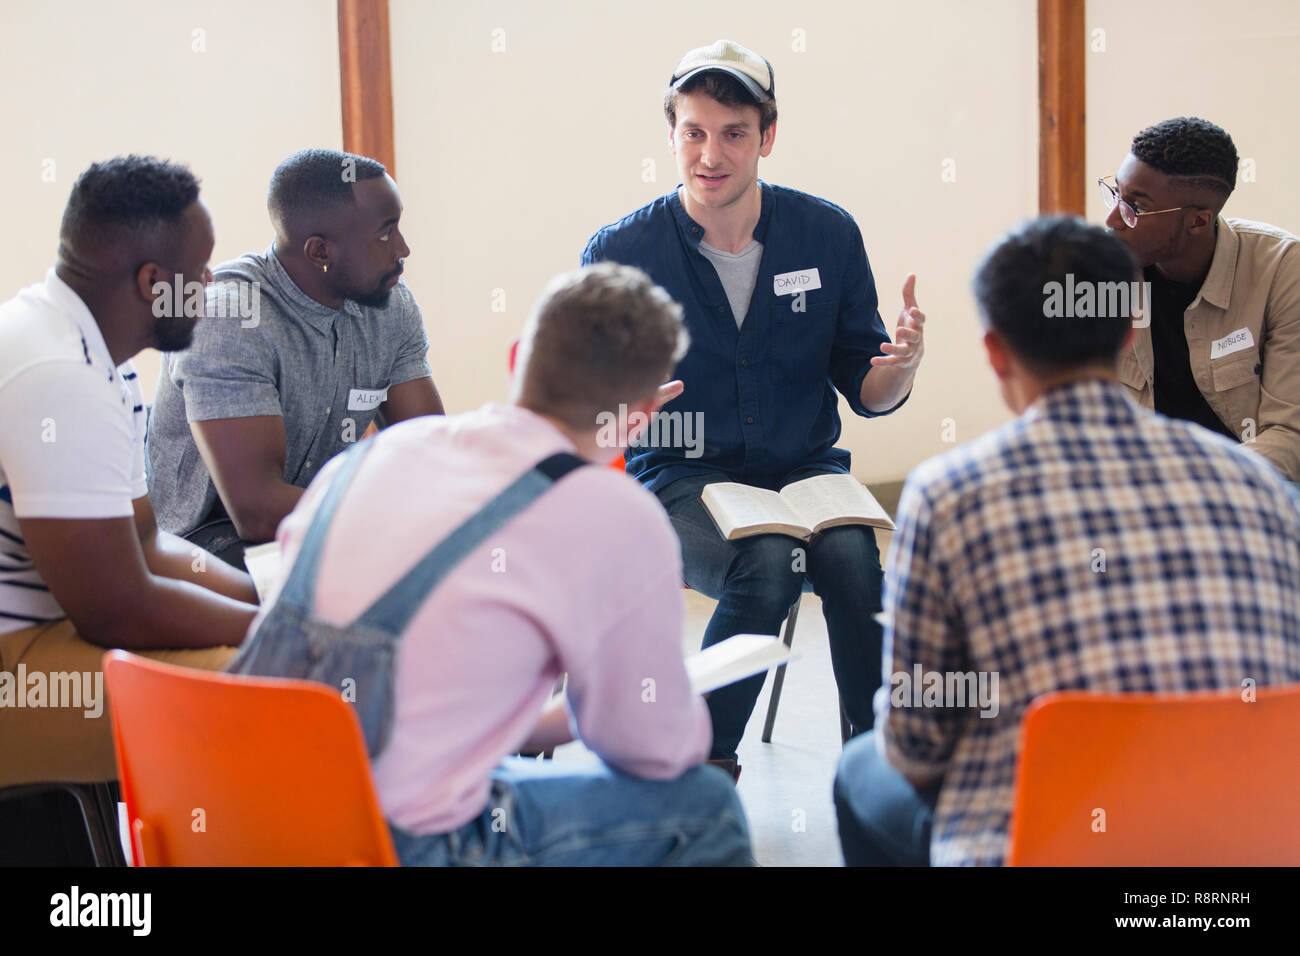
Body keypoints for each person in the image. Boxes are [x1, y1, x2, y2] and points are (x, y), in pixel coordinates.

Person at [227, 263, 752, 866]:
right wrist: (668, 700)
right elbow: (647, 753)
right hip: (388, 846)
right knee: (705, 806)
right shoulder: (615, 513)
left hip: (242, 815)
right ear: (641, 416)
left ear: (516, 359)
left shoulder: (380, 451)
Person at [834, 216, 1300, 867]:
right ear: (1128, 330)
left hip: (1047, 846)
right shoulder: (1260, 485)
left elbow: (915, 747)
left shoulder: (951, 493)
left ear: (996, 352)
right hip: (1246, 848)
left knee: (861, 767)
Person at [581, 39, 927, 774]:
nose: (711, 154)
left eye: (734, 133)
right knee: (768, 564)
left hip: (806, 471)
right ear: (671, 134)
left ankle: (878, 769)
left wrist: (900, 369)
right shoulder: (623, 249)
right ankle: (699, 773)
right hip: (678, 480)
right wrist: (622, 410)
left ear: (767, 136)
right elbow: (590, 411)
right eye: (694, 132)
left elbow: (867, 391)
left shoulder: (826, 233)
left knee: (855, 563)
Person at [0, 156, 258, 788]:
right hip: (18, 669)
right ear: (152, 282)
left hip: (50, 633)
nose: (212, 283)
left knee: (296, 669)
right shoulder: (57, 372)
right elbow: (115, 611)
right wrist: (285, 632)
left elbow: (145, 543)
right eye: (200, 270)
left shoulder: (99, 360)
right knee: (297, 696)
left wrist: (265, 598)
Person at [147, 148, 446, 570]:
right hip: (207, 545)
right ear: (320, 252)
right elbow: (257, 512)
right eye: (385, 234)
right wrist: (394, 526)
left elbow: (429, 452)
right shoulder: (230, 318)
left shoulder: (392, 307)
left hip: (316, 526)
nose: (403, 249)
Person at [1102, 116, 1300, 485]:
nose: (1112, 218)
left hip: (1248, 496)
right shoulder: (1098, 273)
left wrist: (1185, 487)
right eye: (1115, 192)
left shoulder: (1283, 270)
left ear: (1198, 221)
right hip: (1134, 495)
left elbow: (1289, 437)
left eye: (1136, 207)